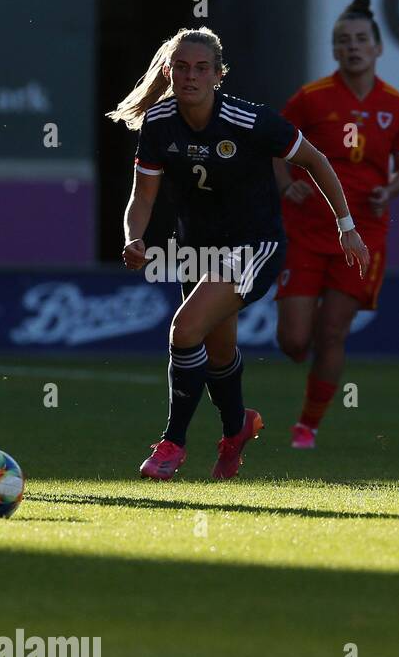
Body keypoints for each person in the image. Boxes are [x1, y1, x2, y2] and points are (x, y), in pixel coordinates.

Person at [108, 27, 369, 480]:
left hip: (255, 245)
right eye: (182, 67)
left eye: (201, 68)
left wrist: (347, 227)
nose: (191, 76)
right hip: (198, 249)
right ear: (169, 71)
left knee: (184, 329)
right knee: (218, 350)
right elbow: (142, 198)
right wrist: (134, 236)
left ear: (218, 75)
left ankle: (173, 443)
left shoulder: (251, 121)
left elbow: (317, 161)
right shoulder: (159, 122)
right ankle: (237, 428)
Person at [274, 0, 399, 449]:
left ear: (378, 48)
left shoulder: (395, 103)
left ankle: (306, 426)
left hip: (363, 233)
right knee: (293, 341)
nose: (353, 48)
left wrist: (389, 188)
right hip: (307, 230)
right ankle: (307, 356)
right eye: (343, 41)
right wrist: (288, 183)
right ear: (334, 50)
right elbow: (275, 145)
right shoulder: (311, 99)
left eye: (361, 40)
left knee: (333, 331)